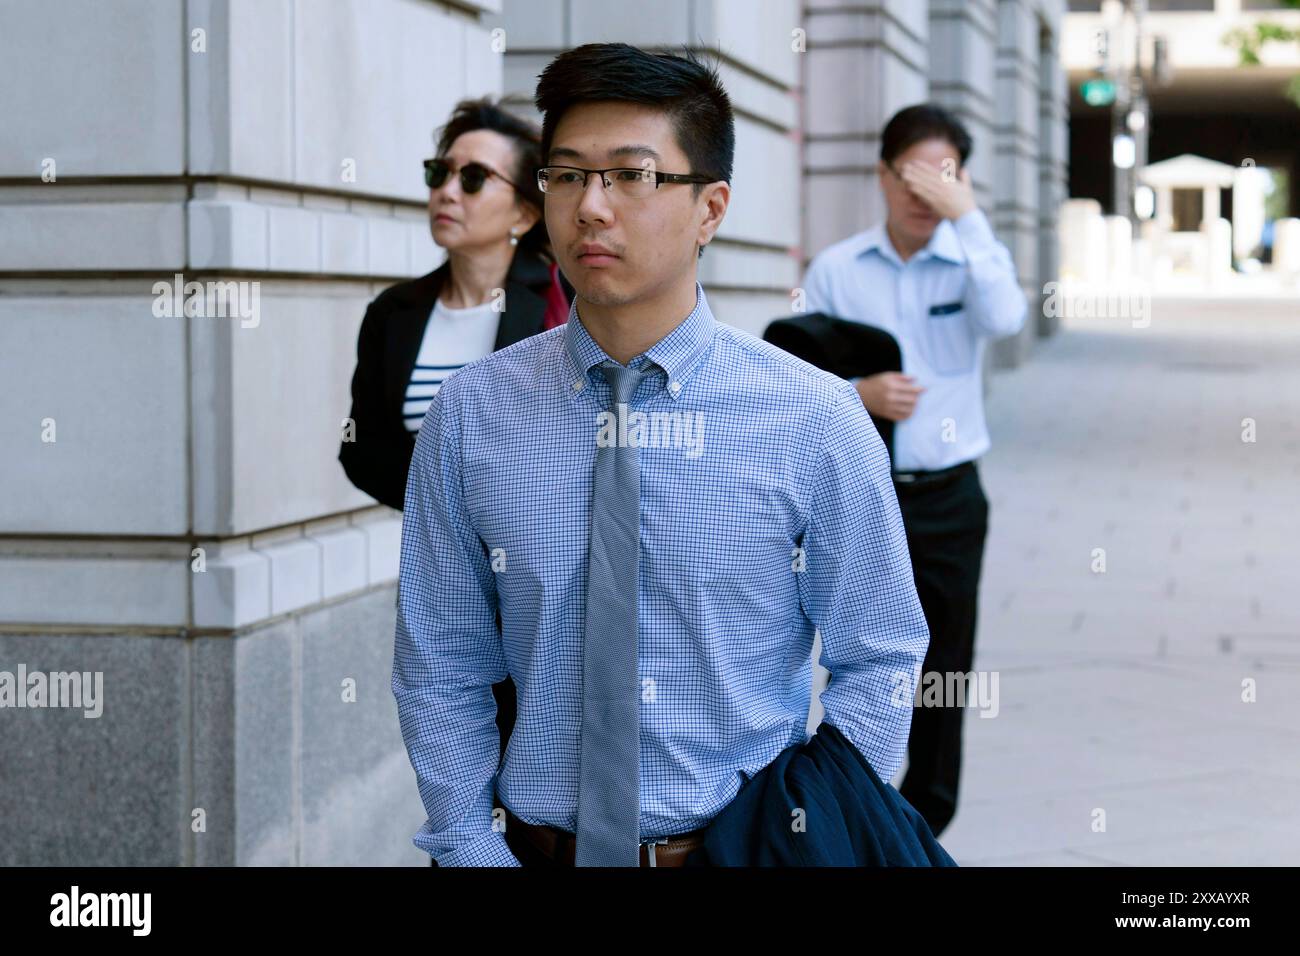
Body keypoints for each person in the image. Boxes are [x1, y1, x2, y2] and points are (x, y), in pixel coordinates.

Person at [391, 42, 930, 868]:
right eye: (566, 175)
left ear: (710, 208)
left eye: (632, 175)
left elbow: (882, 649)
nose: (591, 208)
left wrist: (814, 822)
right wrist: (468, 844)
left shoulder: (813, 417)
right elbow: (442, 660)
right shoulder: (471, 415)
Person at [340, 99, 569, 867]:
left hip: (549, 586)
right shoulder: (395, 313)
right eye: (440, 172)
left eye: (474, 177)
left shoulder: (562, 304)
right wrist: (452, 502)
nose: (448, 191)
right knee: (460, 765)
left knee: (548, 785)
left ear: (525, 209)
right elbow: (361, 449)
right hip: (450, 583)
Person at [802, 103, 1028, 837]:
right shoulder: (837, 269)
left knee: (944, 666)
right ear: (883, 176)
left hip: (950, 495)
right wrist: (857, 393)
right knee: (857, 654)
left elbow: (1008, 319)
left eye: (945, 176)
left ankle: (925, 819)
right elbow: (802, 377)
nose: (925, 191)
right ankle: (851, 803)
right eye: (913, 174)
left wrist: (971, 222)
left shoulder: (972, 265)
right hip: (862, 494)